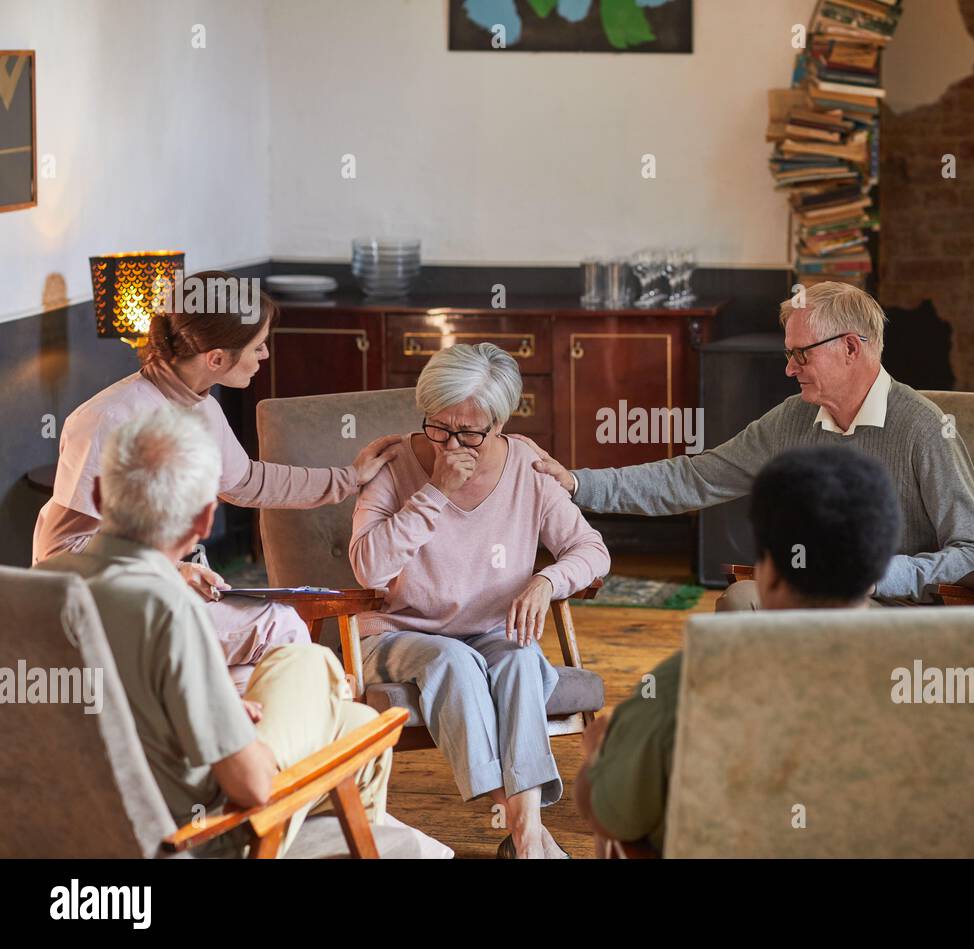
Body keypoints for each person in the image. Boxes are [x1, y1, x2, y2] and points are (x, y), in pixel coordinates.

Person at [575, 446, 974, 856]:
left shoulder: (688, 682)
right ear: (878, 566)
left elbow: (616, 818)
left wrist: (598, 758)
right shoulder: (969, 676)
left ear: (770, 573)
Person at [37, 404, 427, 857]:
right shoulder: (169, 611)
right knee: (329, 686)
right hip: (201, 833)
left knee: (350, 717)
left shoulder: (33, 590)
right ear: (205, 520)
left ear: (101, 496)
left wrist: (211, 709)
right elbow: (252, 786)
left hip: (74, 819)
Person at [522, 281, 974, 605]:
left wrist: (878, 573)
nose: (789, 368)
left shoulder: (923, 428)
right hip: (809, 596)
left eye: (801, 355)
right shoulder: (795, 419)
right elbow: (694, 478)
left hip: (888, 610)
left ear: (852, 348)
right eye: (788, 353)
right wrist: (578, 483)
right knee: (739, 602)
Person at [33, 271, 402, 690]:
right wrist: (172, 572)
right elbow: (58, 556)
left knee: (252, 680)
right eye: (257, 345)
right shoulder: (108, 420)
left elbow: (246, 482)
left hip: (162, 599)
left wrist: (350, 478)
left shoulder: (201, 406)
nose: (265, 354)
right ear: (216, 358)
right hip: (108, 610)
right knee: (280, 630)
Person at [350, 342, 610, 859]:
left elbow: (591, 550)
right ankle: (531, 837)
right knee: (453, 658)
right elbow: (368, 567)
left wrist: (545, 582)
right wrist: (434, 495)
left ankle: (523, 838)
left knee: (518, 662)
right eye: (439, 427)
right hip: (397, 635)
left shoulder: (528, 469)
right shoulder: (395, 463)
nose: (451, 444)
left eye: (469, 432)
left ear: (500, 422)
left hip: (491, 632)